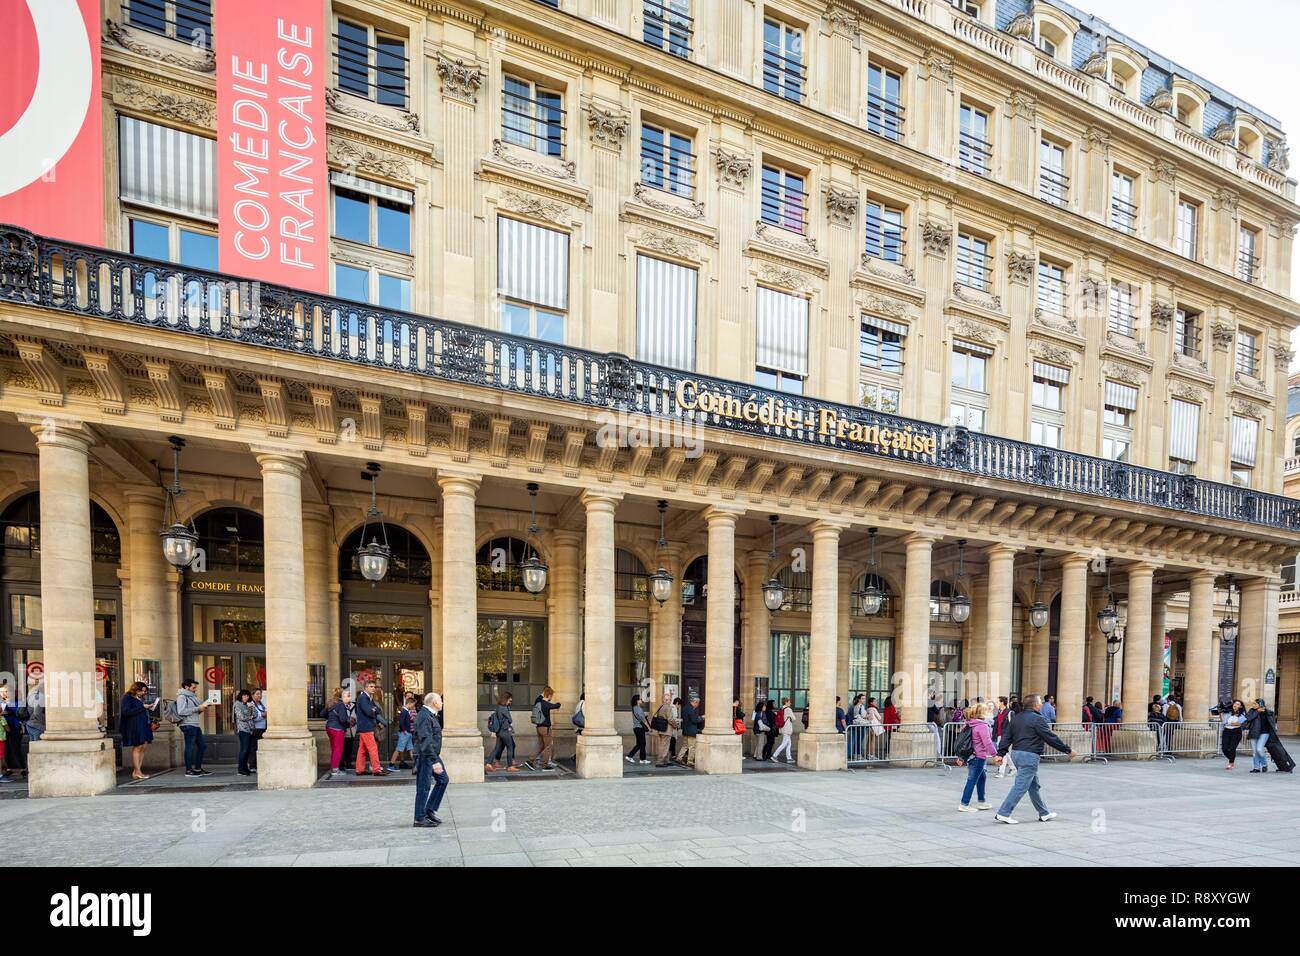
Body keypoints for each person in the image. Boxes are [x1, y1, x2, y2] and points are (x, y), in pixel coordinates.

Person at [994, 694, 1075, 824]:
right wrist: (1067, 750)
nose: (1042, 704)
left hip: (1017, 754)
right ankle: (1004, 813)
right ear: (1036, 705)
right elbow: (1050, 737)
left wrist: (1000, 753)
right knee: (1020, 786)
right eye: (1040, 703)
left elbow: (1006, 736)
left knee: (1033, 785)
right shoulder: (1038, 719)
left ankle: (1044, 813)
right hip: (1029, 755)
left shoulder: (1016, 718)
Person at [412, 692, 448, 828]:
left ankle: (428, 810)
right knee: (423, 786)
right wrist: (434, 761)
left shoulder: (430, 715)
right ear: (434, 703)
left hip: (430, 754)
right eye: (440, 700)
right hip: (425, 755)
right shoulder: (424, 716)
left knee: (443, 780)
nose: (442, 703)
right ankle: (419, 818)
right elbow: (425, 740)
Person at [956, 702, 997, 812]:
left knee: (981, 777)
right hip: (978, 756)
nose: (989, 712)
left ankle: (981, 801)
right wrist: (995, 755)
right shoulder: (982, 726)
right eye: (987, 711)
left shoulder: (970, 724)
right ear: (982, 713)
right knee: (972, 779)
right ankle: (964, 804)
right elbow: (988, 743)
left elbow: (963, 742)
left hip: (971, 756)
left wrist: (962, 757)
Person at [175, 678, 214, 777]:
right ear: (186, 687)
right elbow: (181, 711)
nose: (195, 689)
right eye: (193, 687)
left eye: (195, 687)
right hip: (188, 725)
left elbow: (196, 710)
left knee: (202, 746)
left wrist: (203, 707)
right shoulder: (182, 697)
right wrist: (198, 708)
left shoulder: (193, 696)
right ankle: (188, 770)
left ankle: (197, 768)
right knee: (190, 747)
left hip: (194, 724)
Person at [119, 681, 157, 780]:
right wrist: (142, 707)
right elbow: (126, 712)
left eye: (145, 691)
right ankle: (138, 771)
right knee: (138, 747)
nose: (143, 693)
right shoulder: (127, 697)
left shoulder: (138, 699)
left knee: (143, 747)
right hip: (135, 726)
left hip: (144, 725)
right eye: (142, 691)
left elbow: (139, 711)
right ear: (136, 689)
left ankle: (136, 771)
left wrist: (147, 708)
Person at [355, 681, 388, 776]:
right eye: (371, 686)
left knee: (362, 749)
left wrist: (373, 709)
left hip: (365, 726)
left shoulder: (369, 698)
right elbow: (369, 712)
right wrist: (373, 709)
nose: (373, 688)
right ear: (365, 688)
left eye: (374, 686)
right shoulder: (363, 698)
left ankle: (359, 769)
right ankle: (377, 770)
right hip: (366, 727)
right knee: (373, 748)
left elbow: (376, 709)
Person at [526, 685, 561, 771]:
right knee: (548, 745)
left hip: (539, 727)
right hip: (545, 728)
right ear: (549, 695)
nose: (551, 697)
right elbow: (556, 705)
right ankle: (544, 765)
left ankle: (530, 760)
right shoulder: (545, 704)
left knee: (541, 745)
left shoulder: (538, 702)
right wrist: (559, 704)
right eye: (551, 695)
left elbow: (542, 699)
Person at [486, 690, 520, 772]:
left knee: (497, 748)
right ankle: (510, 766)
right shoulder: (504, 708)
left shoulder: (498, 707)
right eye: (510, 700)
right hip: (504, 731)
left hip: (499, 731)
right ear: (506, 699)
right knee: (510, 746)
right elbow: (510, 720)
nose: (510, 702)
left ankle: (488, 764)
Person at [322, 688, 352, 777]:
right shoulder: (341, 705)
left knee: (334, 748)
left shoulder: (330, 703)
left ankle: (333, 767)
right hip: (337, 729)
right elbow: (343, 719)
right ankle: (335, 770)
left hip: (329, 728)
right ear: (341, 696)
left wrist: (331, 718)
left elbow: (322, 714)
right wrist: (348, 724)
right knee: (338, 749)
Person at [0, 686, 26, 777]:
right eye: (4, 692)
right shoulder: (5, 702)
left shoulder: (19, 702)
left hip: (15, 728)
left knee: (16, 748)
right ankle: (9, 768)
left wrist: (10, 712)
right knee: (7, 749)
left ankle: (22, 768)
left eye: (7, 692)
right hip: (5, 729)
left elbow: (22, 714)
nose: (5, 694)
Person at [233, 689, 259, 776]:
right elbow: (241, 717)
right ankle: (240, 769)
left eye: (247, 696)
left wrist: (250, 708)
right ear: (241, 696)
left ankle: (245, 768)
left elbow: (255, 715)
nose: (246, 697)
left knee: (248, 750)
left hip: (251, 730)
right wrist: (250, 715)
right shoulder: (237, 704)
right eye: (244, 696)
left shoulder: (249, 705)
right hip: (243, 730)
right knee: (244, 750)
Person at [389, 693, 416, 772]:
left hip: (408, 733)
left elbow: (406, 721)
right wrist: (404, 731)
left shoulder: (406, 711)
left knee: (411, 749)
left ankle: (417, 764)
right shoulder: (404, 711)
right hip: (405, 733)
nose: (413, 707)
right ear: (409, 704)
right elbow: (401, 722)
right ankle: (391, 765)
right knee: (399, 749)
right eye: (413, 705)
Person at [676, 692, 704, 767]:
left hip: (685, 730)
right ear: (695, 702)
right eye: (698, 703)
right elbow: (694, 720)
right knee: (692, 747)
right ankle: (690, 761)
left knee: (685, 745)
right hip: (691, 731)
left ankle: (679, 757)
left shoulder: (685, 707)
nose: (698, 705)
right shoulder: (691, 709)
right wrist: (702, 718)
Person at [652, 691, 678, 767]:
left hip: (661, 729)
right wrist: (675, 725)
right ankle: (660, 762)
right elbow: (670, 719)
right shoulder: (667, 707)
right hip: (666, 730)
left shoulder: (661, 706)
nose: (670, 701)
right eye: (669, 699)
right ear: (666, 700)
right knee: (664, 746)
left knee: (664, 745)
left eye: (670, 699)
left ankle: (666, 760)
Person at [1219, 699, 1248, 770]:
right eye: (1235, 703)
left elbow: (1238, 723)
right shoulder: (1228, 712)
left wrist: (1229, 723)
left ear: (1241, 707)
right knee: (1224, 748)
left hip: (1236, 732)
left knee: (1232, 748)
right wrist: (1221, 713)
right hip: (1226, 731)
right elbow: (1223, 721)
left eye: (1238, 704)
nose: (1235, 705)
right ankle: (1232, 758)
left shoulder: (1242, 714)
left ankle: (1231, 762)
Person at [993, 697, 1015, 778]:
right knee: (1004, 753)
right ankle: (1013, 768)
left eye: (997, 701)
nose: (996, 703)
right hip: (999, 735)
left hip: (1006, 736)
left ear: (1002, 702)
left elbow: (1013, 725)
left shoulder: (1010, 713)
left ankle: (1001, 772)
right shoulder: (999, 712)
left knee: (1003, 753)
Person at [626, 693, 650, 764]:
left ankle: (642, 759)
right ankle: (630, 756)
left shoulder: (634, 708)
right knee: (641, 743)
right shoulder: (638, 708)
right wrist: (645, 717)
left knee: (641, 743)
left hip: (636, 728)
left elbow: (639, 716)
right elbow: (642, 718)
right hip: (639, 728)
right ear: (637, 700)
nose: (641, 700)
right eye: (640, 699)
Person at [771, 697, 795, 763]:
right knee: (784, 743)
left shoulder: (781, 708)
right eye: (789, 702)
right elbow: (794, 718)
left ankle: (789, 758)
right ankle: (774, 756)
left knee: (789, 744)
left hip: (782, 728)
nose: (790, 703)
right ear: (786, 702)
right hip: (787, 729)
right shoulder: (788, 709)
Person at [249, 688, 267, 770]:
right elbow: (251, 718)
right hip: (255, 729)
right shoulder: (250, 705)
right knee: (254, 747)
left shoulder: (261, 704)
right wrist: (262, 716)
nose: (260, 695)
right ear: (252, 695)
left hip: (263, 728)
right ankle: (253, 766)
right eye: (257, 694)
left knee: (261, 747)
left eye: (260, 694)